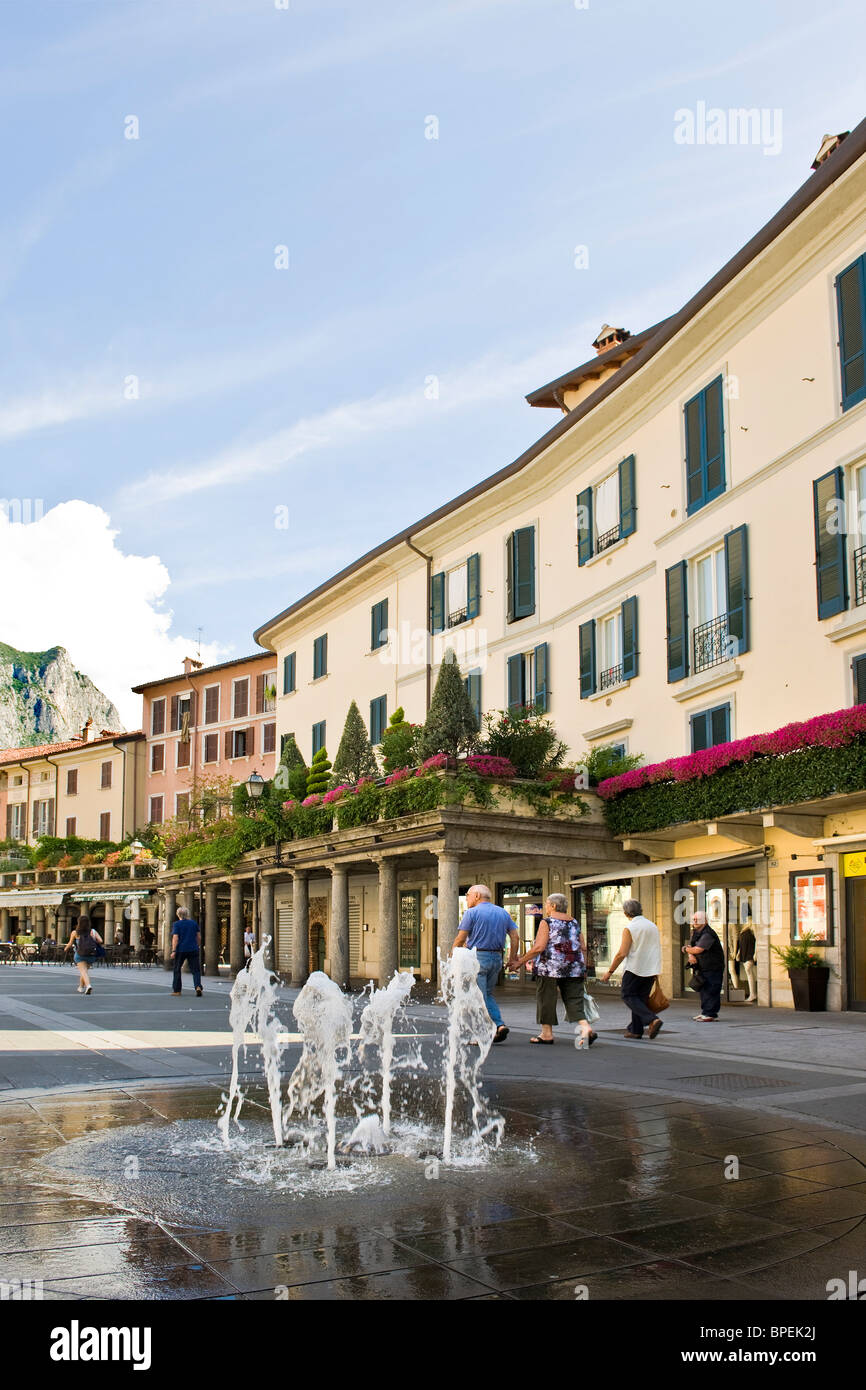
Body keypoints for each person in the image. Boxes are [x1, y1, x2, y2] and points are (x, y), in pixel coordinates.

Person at [509, 893, 596, 1048]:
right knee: (574, 999)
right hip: (574, 967)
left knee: (546, 999)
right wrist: (582, 966)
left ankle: (546, 1034)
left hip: (549, 968)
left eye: (547, 904)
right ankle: (585, 1027)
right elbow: (582, 947)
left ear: (553, 906)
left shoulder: (547, 922)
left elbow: (539, 947)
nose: (546, 907)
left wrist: (520, 962)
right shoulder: (574, 922)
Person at [452, 884, 518, 1043]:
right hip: (497, 958)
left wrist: (452, 956)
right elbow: (515, 937)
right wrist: (512, 958)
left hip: (478, 958)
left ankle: (481, 1034)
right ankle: (499, 1025)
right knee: (487, 994)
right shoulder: (502, 912)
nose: (466, 899)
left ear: (476, 896)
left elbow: (461, 938)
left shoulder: (471, 913)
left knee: (478, 997)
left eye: (467, 895)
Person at [601, 898, 663, 1040]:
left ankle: (652, 1019)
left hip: (634, 968)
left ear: (625, 913)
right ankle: (636, 1030)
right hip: (651, 968)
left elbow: (622, 953)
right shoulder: (652, 926)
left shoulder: (630, 928)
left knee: (628, 995)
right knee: (640, 999)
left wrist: (610, 971)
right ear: (641, 910)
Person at [683, 910, 725, 1021]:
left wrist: (687, 950)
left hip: (713, 967)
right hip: (703, 967)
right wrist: (690, 954)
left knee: (712, 990)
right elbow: (691, 947)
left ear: (705, 921)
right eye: (694, 919)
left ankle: (710, 1014)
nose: (695, 921)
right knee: (704, 990)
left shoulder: (708, 934)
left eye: (698, 919)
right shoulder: (696, 932)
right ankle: (705, 1012)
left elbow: (698, 949)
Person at [64, 915, 102, 995]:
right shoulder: (93, 931)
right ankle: (81, 987)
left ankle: (88, 985)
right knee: (84, 971)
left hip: (80, 955)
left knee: (83, 972)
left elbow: (70, 944)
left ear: (79, 923)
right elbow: (100, 940)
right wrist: (92, 940)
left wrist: (65, 949)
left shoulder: (75, 932)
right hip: (91, 955)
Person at [171, 906, 203, 997]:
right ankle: (198, 986)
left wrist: (174, 950)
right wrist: (197, 945)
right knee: (196, 970)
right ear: (187, 914)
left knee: (177, 969)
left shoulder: (177, 924)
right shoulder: (193, 923)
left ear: (178, 915)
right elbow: (198, 936)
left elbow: (175, 938)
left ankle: (177, 990)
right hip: (193, 949)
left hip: (180, 950)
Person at [735, 921, 757, 1003]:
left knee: (749, 972)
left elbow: (757, 941)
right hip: (744, 953)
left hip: (749, 953)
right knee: (749, 973)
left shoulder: (752, 929)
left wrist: (756, 953)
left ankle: (753, 994)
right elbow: (741, 943)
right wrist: (738, 953)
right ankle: (753, 993)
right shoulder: (743, 930)